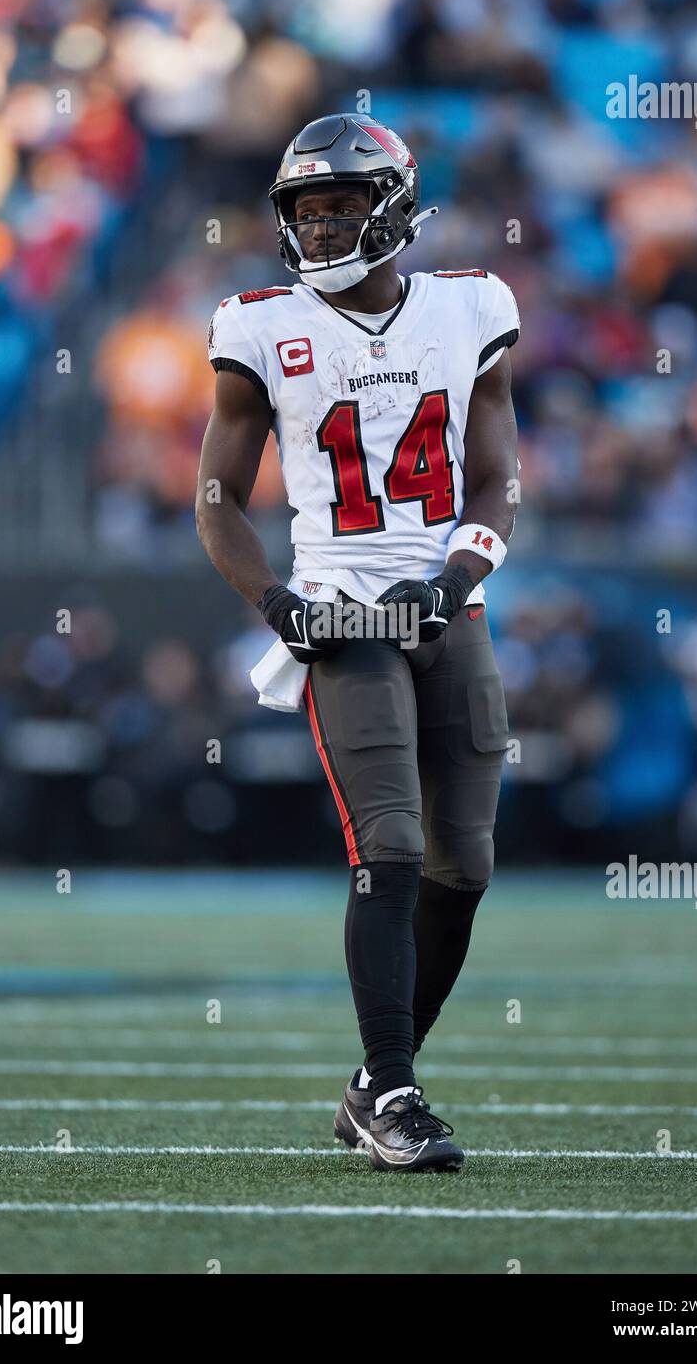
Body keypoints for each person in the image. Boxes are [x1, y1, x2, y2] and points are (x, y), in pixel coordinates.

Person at [196, 113, 519, 1171]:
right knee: (383, 843)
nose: (321, 226)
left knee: (459, 864)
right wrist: (276, 602)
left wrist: (455, 576)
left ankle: (376, 1078)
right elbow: (216, 498)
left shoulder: (470, 308)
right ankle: (392, 1087)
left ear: (391, 205)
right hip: (341, 610)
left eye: (338, 204)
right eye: (306, 209)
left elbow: (498, 479)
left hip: (442, 602)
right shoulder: (256, 328)